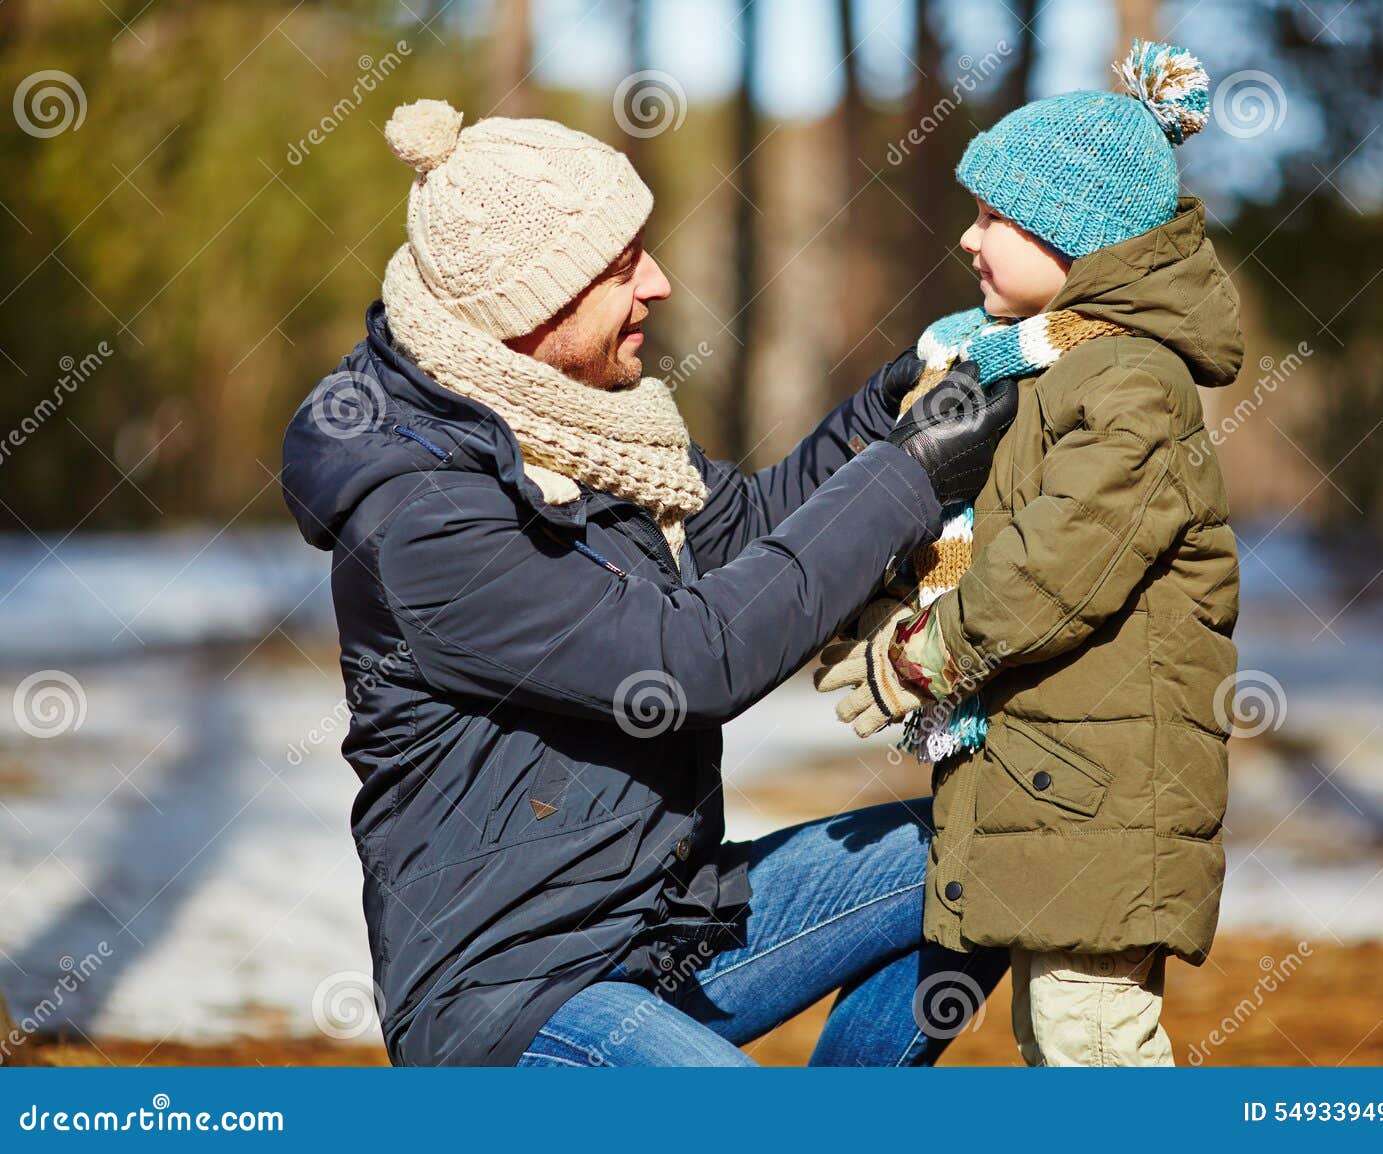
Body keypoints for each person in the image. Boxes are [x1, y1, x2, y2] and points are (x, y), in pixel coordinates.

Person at [281, 99, 1015, 1066]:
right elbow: (691, 658)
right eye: (624, 266)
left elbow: (746, 531)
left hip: (665, 922)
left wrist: (890, 411)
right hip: (514, 997)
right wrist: (911, 476)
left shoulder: (581, 424)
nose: (660, 285)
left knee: (996, 854)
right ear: (529, 304)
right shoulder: (425, 516)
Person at [813, 40, 1244, 1066]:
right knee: (1053, 1043)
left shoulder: (1131, 383)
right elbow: (986, 524)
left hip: (1103, 798)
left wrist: (924, 656)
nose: (968, 239)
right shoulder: (1034, 367)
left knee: (1090, 1040)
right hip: (1054, 789)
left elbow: (1058, 566)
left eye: (994, 218)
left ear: (1078, 236)